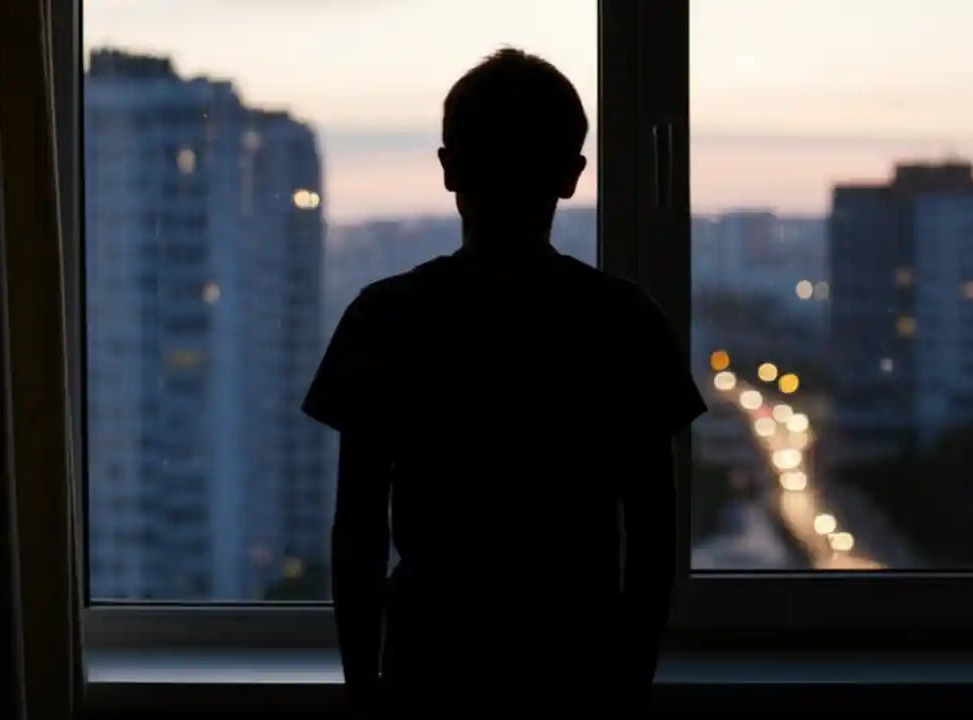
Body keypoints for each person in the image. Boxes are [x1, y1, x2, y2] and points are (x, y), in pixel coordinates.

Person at [302, 47, 706, 715]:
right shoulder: (626, 322)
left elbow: (359, 530)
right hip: (574, 666)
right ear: (572, 176)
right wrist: (630, 681)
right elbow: (654, 537)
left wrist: (361, 686)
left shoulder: (386, 317)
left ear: (449, 169)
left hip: (429, 666)